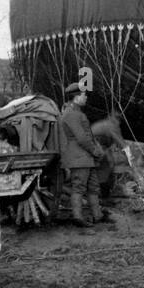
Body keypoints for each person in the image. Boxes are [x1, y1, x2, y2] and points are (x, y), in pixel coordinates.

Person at [59, 82, 107, 228]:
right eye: (84, 95)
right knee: (79, 187)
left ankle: (97, 216)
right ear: (76, 97)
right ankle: (78, 218)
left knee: (93, 187)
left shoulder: (76, 112)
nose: (86, 97)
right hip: (79, 157)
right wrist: (95, 151)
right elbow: (82, 138)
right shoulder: (72, 114)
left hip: (85, 158)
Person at [90, 108, 126, 197]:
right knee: (106, 168)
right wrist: (130, 156)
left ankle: (103, 192)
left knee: (107, 166)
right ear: (111, 117)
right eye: (117, 118)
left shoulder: (105, 123)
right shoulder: (112, 125)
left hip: (95, 147)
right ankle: (103, 194)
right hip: (96, 147)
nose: (118, 121)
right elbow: (121, 142)